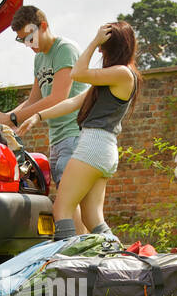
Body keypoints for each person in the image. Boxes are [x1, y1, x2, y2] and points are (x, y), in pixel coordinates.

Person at [0, 7, 90, 233]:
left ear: (44, 26)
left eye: (30, 37)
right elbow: (32, 101)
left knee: (67, 203)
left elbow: (58, 97)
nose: (29, 45)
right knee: (73, 203)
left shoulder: (64, 50)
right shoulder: (40, 58)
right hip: (58, 138)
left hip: (76, 134)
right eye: (23, 41)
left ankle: (82, 250)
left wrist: (10, 117)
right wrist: (2, 119)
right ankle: (89, 251)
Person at [18, 21, 140, 241]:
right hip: (102, 148)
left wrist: (94, 41)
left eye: (103, 47)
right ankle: (113, 259)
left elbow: (78, 72)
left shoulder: (122, 73)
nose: (100, 51)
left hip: (94, 145)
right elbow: (74, 101)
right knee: (92, 218)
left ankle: (69, 263)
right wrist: (38, 116)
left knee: (61, 210)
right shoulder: (111, 77)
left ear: (113, 47)